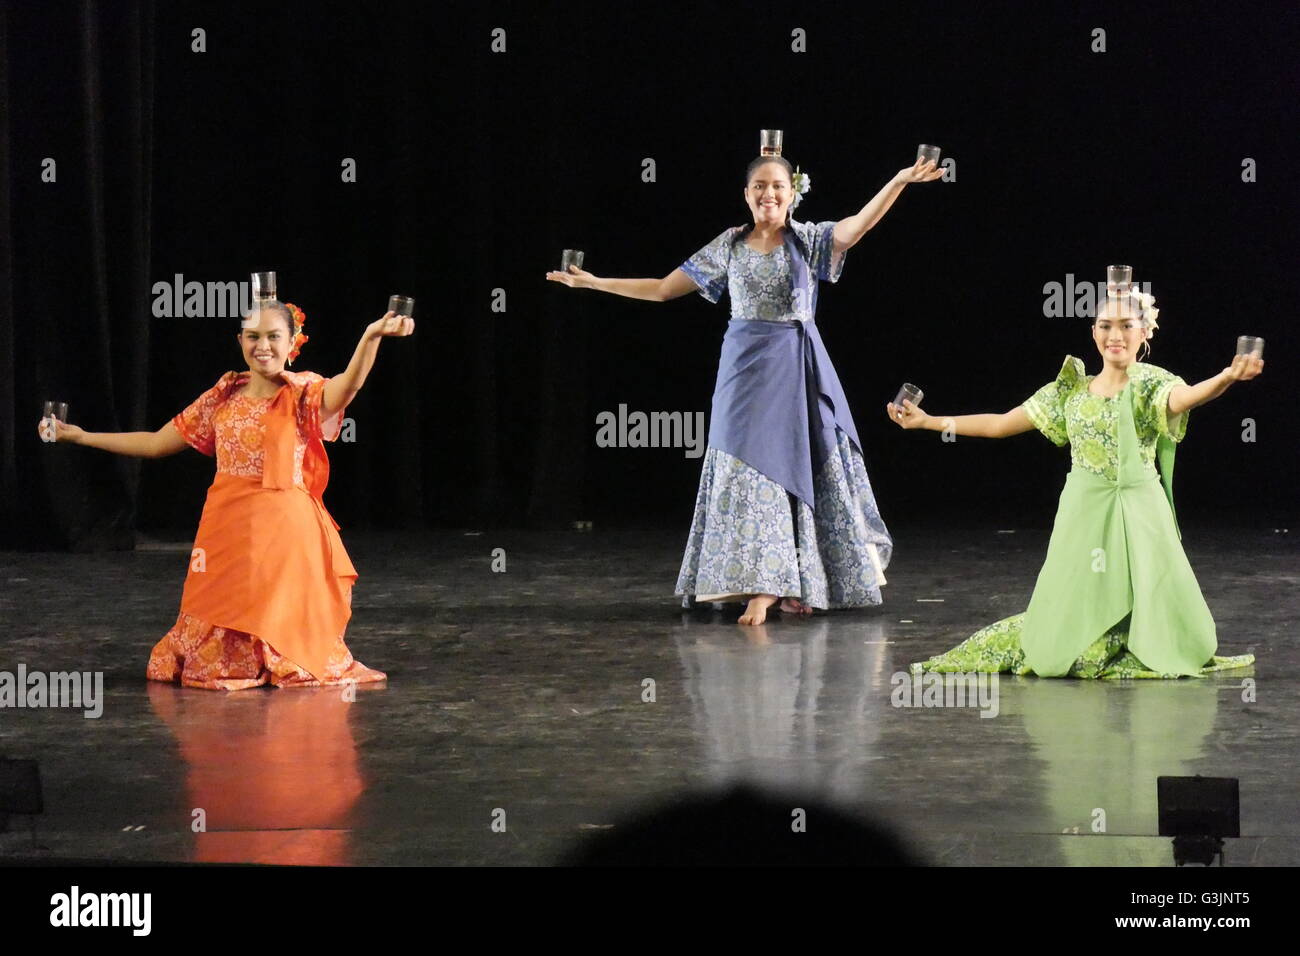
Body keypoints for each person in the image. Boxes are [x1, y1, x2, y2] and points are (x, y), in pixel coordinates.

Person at [548, 152, 942, 624]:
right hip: (741, 370)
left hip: (793, 369)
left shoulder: (810, 241)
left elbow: (856, 227)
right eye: (759, 186)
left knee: (783, 469)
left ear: (793, 193)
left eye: (777, 185)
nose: (769, 194)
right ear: (746, 195)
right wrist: (594, 284)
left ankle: (771, 586)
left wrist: (898, 179)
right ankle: (737, 580)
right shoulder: (729, 246)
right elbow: (660, 289)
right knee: (737, 469)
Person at [887, 282, 1262, 677]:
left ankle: (1141, 635)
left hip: (1140, 510)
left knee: (1155, 603)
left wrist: (1226, 377)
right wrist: (929, 422)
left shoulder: (1151, 381)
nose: (1114, 335)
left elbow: (1183, 399)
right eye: (1105, 325)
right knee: (1067, 622)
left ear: (1144, 333)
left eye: (1125, 325)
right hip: (1084, 510)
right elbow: (1000, 424)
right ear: (1093, 332)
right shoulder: (1070, 390)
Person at [39, 298, 414, 689]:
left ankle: (276, 656)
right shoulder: (222, 396)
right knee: (214, 625)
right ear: (240, 340)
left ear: (293, 343)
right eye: (253, 336)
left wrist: (371, 337)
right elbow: (155, 443)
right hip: (227, 524)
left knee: (273, 612)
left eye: (273, 336)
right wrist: (81, 436)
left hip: (284, 528)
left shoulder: (303, 394)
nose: (262, 345)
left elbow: (349, 384)